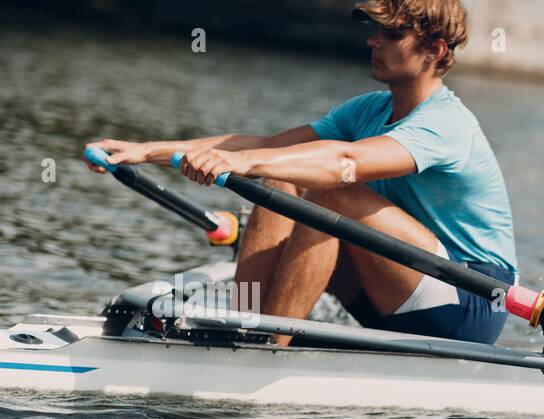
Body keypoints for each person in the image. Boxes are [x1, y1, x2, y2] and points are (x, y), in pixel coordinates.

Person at [86, 0, 515, 345]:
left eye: (391, 33)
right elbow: (269, 147)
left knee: (330, 192)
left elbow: (346, 164)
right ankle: (248, 325)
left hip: (470, 300)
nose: (373, 41)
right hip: (400, 285)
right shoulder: (369, 109)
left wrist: (242, 165)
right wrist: (145, 150)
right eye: (374, 30)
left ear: (435, 50)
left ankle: (272, 346)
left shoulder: (445, 124)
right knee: (283, 179)